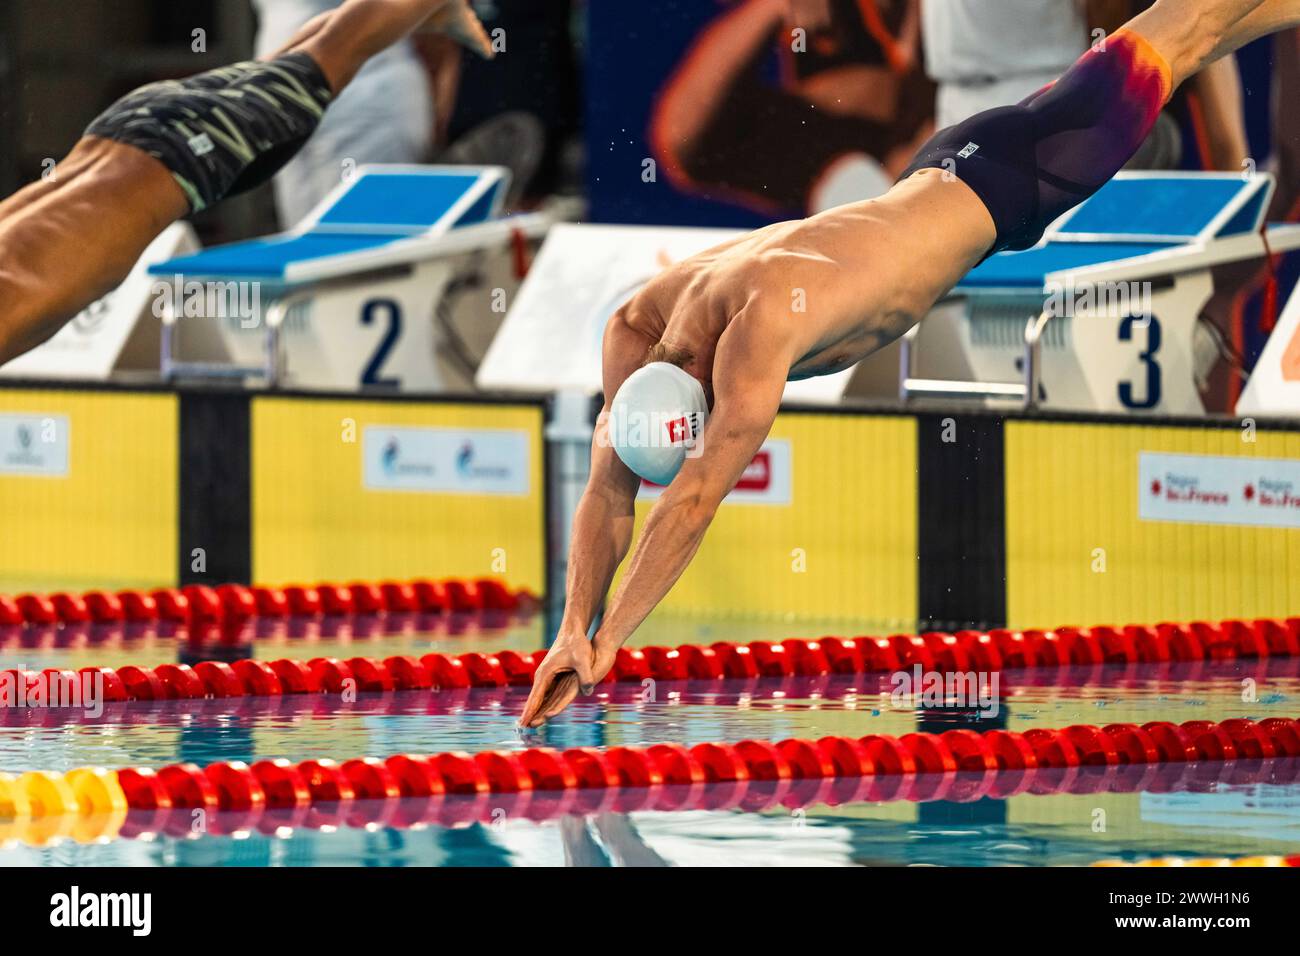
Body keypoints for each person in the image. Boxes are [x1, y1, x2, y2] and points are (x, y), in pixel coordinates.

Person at [519, 0, 1300, 728]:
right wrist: (569, 634)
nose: (713, 428)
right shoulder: (636, 323)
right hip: (948, 162)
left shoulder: (758, 334)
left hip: (1018, 178)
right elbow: (608, 490)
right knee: (1205, 35)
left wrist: (611, 639)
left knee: (1186, 31)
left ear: (695, 388)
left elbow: (688, 505)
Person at [0, 0, 492, 367]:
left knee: (323, 62)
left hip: (173, 154)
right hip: (131, 135)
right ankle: (413, 13)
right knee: (301, 71)